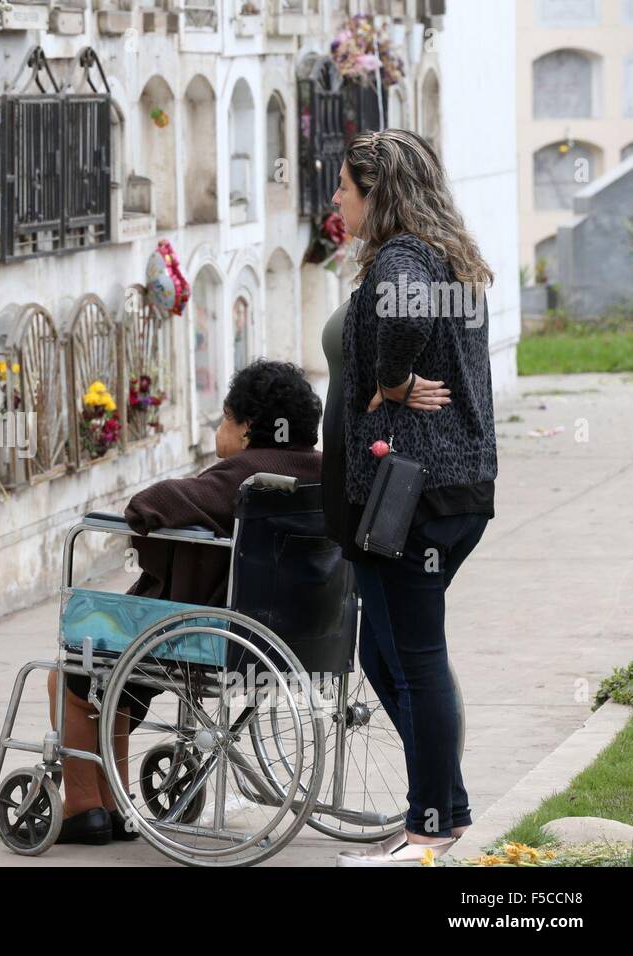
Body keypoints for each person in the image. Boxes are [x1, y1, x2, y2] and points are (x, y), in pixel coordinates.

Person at [46, 359, 324, 845]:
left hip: (215, 637)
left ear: (246, 430)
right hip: (299, 637)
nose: (220, 429)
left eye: (224, 419)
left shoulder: (243, 476)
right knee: (120, 674)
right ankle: (114, 804)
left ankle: (86, 807)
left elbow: (147, 507)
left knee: (74, 670)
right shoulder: (323, 477)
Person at [320, 129, 498, 866]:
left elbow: (405, 318)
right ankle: (443, 805)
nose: (335, 199)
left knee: (415, 657)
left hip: (409, 495)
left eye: (344, 188)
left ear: (378, 193)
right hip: (451, 489)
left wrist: (389, 385)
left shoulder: (402, 258)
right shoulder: (445, 253)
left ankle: (430, 830)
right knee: (387, 650)